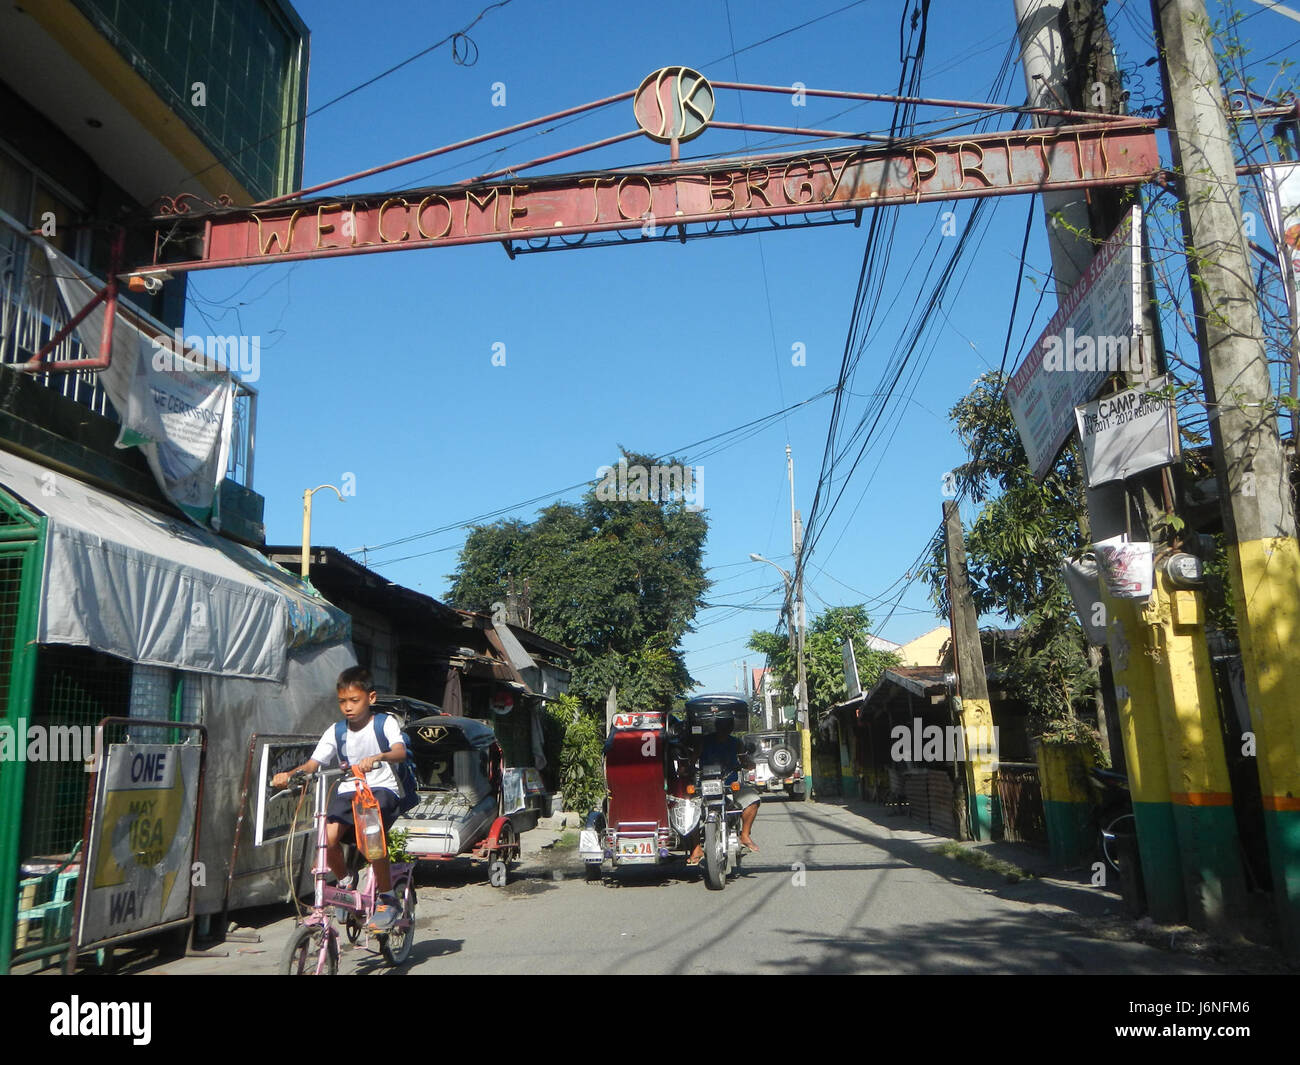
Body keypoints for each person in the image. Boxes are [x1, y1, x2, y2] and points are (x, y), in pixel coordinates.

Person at [272, 666, 406, 931]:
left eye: (354, 700)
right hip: (349, 790)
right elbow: (313, 764)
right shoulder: (336, 731)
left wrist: (379, 757)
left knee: (371, 839)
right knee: (327, 838)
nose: (348, 707)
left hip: (381, 790)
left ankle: (388, 897)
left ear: (371, 698)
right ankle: (345, 879)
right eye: (342, 701)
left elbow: (400, 752)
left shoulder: (385, 723)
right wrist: (289, 774)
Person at [688, 715, 760, 863]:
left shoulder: (736, 742)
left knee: (753, 799)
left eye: (728, 725)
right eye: (722, 724)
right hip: (705, 788)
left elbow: (744, 760)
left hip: (729, 788)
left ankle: (744, 835)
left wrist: (749, 764)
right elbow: (692, 760)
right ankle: (696, 848)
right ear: (717, 725)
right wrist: (687, 768)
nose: (725, 727)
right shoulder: (703, 741)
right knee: (690, 809)